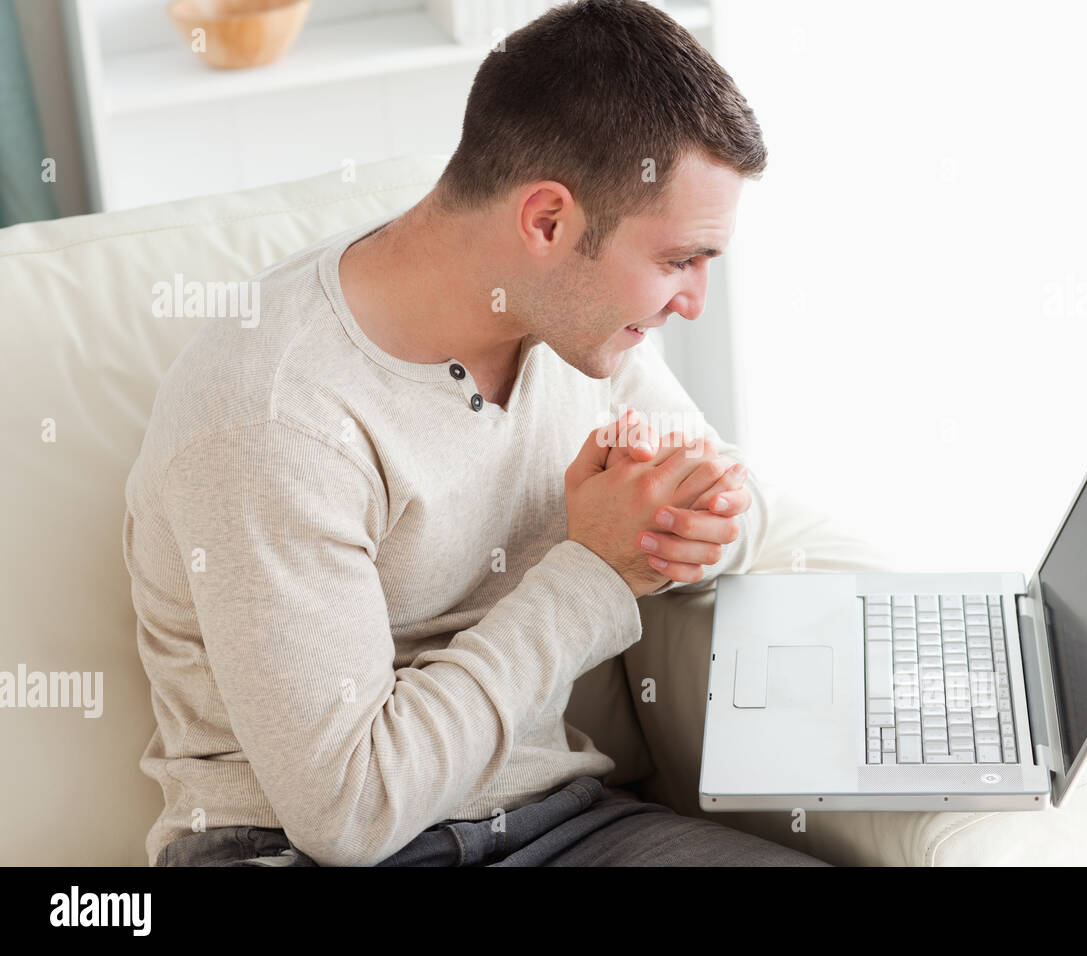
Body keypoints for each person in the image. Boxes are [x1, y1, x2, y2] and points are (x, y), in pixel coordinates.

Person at [124, 0, 828, 867]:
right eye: (678, 260)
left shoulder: (583, 329)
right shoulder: (275, 415)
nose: (693, 302)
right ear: (547, 222)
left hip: (560, 820)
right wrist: (596, 573)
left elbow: (726, 489)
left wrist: (703, 522)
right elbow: (349, 813)